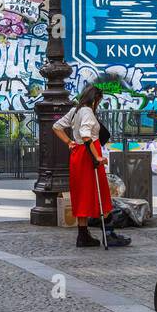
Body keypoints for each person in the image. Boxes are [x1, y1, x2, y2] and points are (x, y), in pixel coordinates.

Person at [52, 84, 129, 248]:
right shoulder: (87, 112)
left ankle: (83, 235)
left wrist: (69, 142)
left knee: (82, 195)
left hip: (77, 156)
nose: (98, 105)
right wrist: (97, 157)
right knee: (101, 194)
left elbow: (56, 126)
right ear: (95, 99)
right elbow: (87, 136)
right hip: (88, 157)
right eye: (98, 101)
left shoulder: (75, 111)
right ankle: (109, 235)